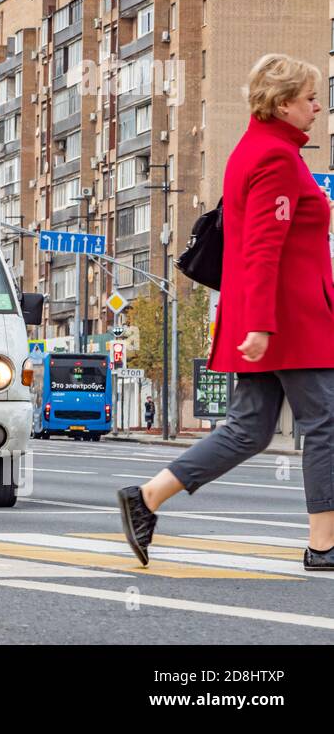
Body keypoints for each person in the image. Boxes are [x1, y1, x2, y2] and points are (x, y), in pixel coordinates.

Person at [118, 54, 334, 572]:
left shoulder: (258, 148)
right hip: (288, 320)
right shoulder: (277, 158)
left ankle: (146, 497)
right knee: (326, 423)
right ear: (283, 104)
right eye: (309, 98)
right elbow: (262, 246)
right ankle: (324, 545)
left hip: (270, 316)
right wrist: (261, 323)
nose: (317, 106)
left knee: (248, 429)